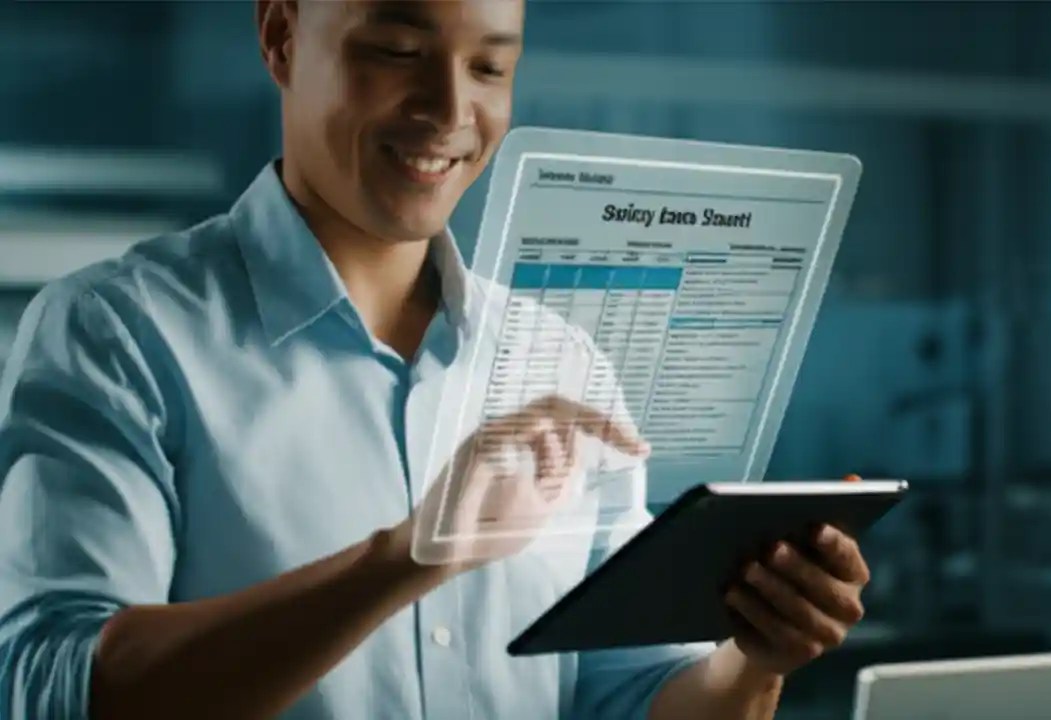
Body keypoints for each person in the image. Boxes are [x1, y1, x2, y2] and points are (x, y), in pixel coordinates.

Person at [0, 1, 872, 718]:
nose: (451, 109)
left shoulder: (561, 365)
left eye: (490, 68)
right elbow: (56, 688)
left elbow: (634, 699)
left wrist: (753, 662)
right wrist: (406, 558)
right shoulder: (118, 333)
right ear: (280, 37)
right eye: (394, 50)